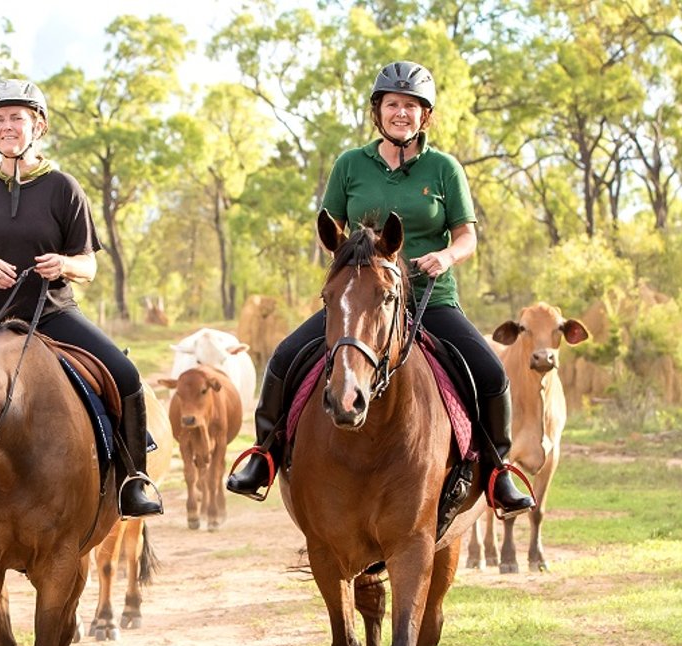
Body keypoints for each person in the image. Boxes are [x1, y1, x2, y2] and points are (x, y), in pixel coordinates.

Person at [226, 61, 535, 517]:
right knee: (286, 357)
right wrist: (345, 255)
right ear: (378, 111)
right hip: (361, 298)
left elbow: (467, 235)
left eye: (411, 106)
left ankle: (497, 473)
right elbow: (328, 225)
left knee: (491, 374)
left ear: (424, 116)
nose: (401, 113)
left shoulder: (444, 168)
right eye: (393, 104)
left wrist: (446, 256)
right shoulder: (350, 165)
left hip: (431, 298)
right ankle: (265, 456)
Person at [0, 79, 162, 518]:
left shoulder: (64, 188)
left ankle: (135, 479)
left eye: (16, 118)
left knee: (124, 371)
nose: (6, 127)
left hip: (51, 314)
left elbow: (89, 267)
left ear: (38, 126)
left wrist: (65, 264)